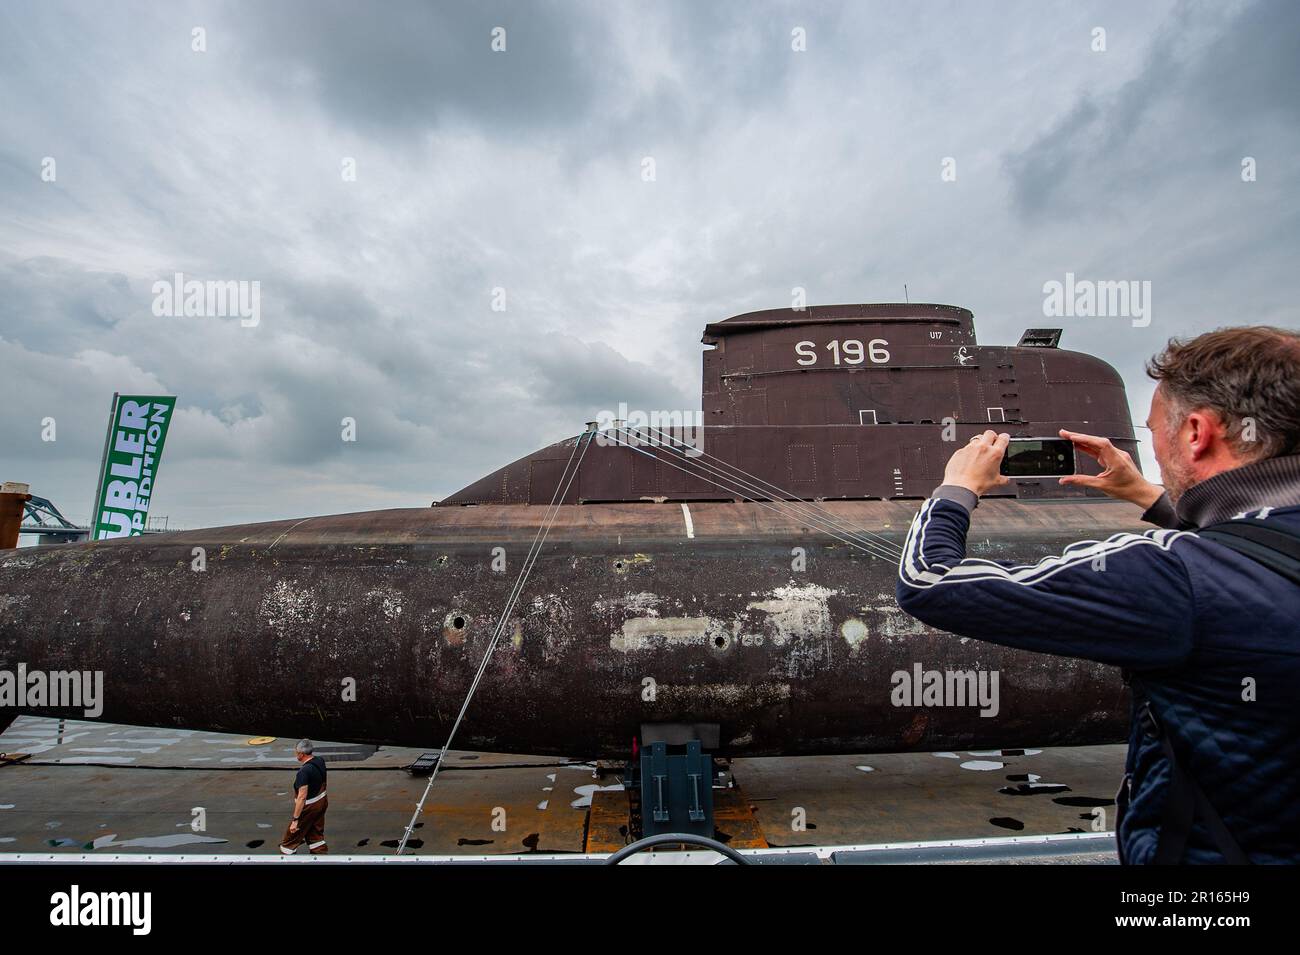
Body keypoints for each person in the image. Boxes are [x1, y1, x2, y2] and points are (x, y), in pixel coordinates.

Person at [896, 326, 1300, 864]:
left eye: (1157, 429)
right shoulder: (1222, 561)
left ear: (1197, 433)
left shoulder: (1167, 574)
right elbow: (1251, 542)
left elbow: (929, 582)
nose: (1153, 442)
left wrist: (956, 488)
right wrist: (1145, 494)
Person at [279, 739, 328, 855]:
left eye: (296, 752)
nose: (295, 754)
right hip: (321, 802)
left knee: (288, 842)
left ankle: (286, 860)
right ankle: (321, 858)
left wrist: (295, 820)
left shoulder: (304, 772)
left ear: (301, 754)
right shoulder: (320, 761)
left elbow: (302, 797)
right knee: (315, 837)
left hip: (308, 808)